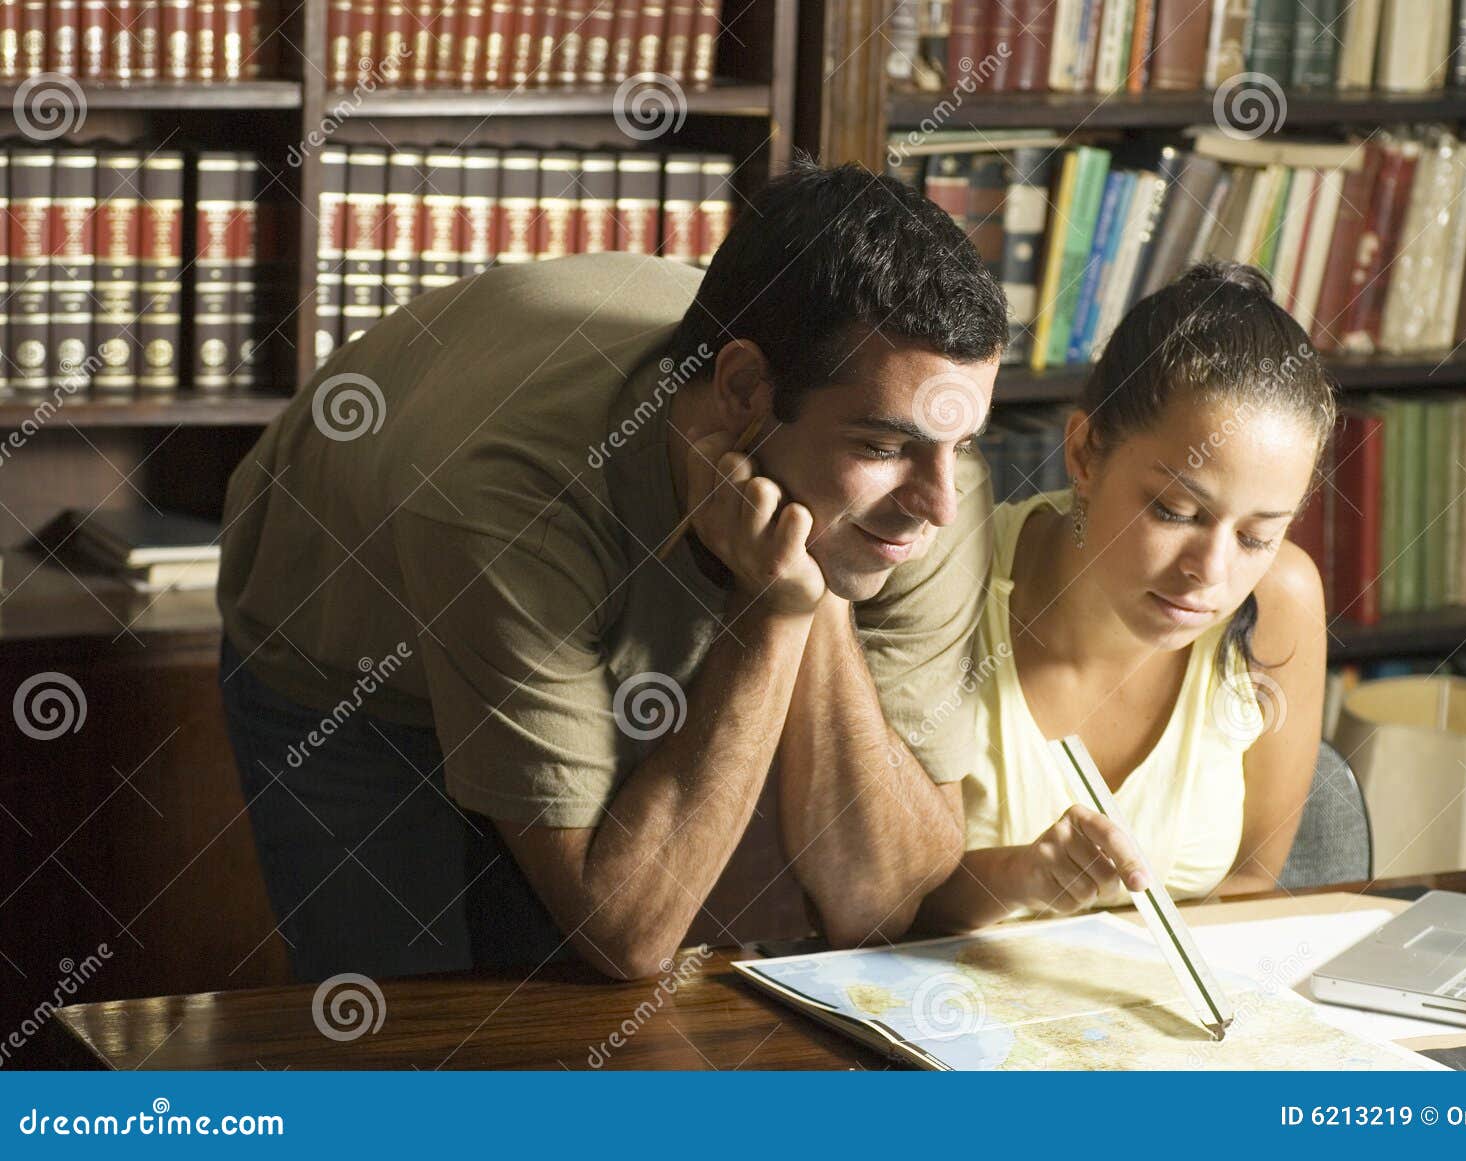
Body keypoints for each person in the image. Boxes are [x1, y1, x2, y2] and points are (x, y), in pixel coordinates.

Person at [217, 161, 1008, 982]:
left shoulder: (925, 483)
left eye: (963, 441)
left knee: (570, 1009)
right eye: (881, 446)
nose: (940, 504)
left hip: (589, 579)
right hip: (351, 645)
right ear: (742, 388)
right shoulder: (506, 496)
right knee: (405, 1032)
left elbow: (876, 901)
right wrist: (774, 616)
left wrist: (821, 599)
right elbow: (628, 934)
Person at [917, 262, 1333, 931]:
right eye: (1175, 511)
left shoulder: (1282, 603)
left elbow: (1254, 881)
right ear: (1084, 452)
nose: (1210, 570)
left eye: (1258, 535)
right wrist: (1019, 876)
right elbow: (871, 904)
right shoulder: (949, 575)